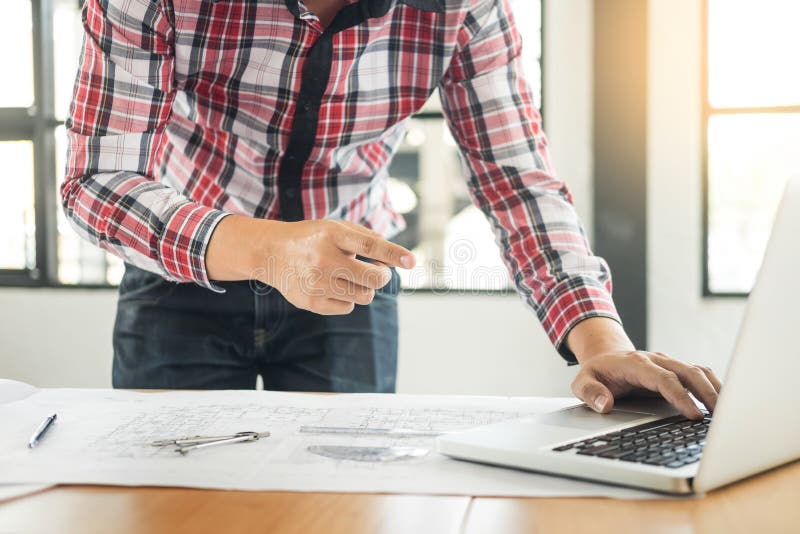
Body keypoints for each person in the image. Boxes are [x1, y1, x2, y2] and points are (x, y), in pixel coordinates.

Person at [63, 0, 721, 418]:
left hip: (354, 284)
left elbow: (517, 180)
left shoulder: (467, 8)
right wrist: (271, 252)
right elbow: (97, 178)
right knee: (171, 504)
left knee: (342, 504)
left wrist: (600, 341)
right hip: (181, 267)